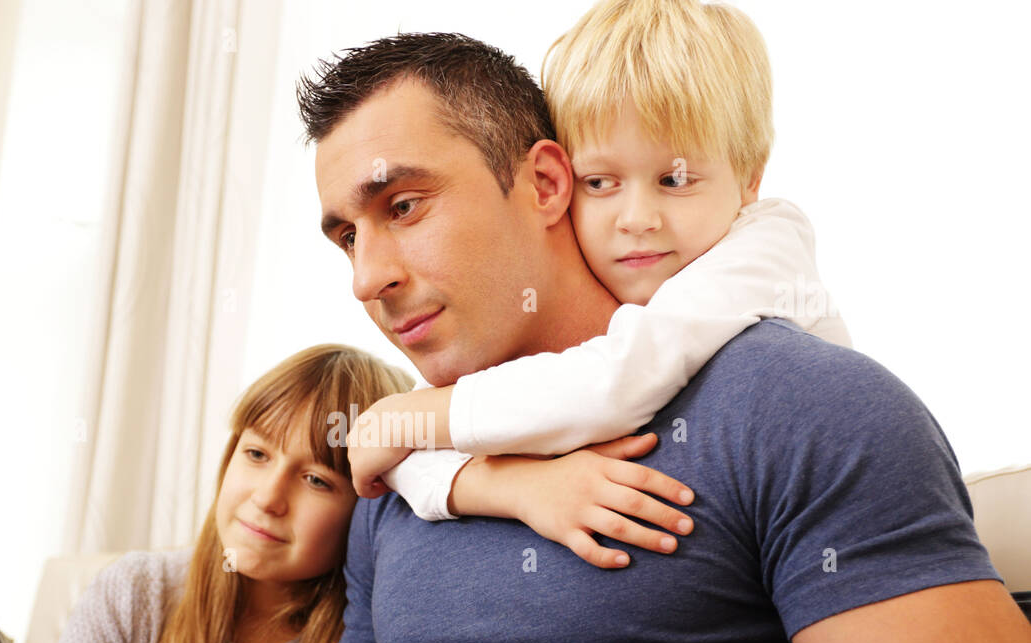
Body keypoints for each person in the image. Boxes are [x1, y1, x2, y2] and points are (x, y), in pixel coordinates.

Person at [63, 29, 1031, 643]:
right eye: (344, 235)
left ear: (542, 180)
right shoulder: (402, 471)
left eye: (402, 206)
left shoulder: (798, 405)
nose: (367, 275)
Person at [33, 342, 686, 643]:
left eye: (317, 478)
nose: (268, 495)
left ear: (368, 502)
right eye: (256, 454)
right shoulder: (137, 593)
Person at [346, 0, 853, 569]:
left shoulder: (763, 253)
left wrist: (410, 419)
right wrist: (507, 487)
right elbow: (395, 455)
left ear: (749, 178)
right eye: (600, 182)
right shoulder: (551, 346)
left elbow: (616, 383)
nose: (636, 218)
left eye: (674, 179)